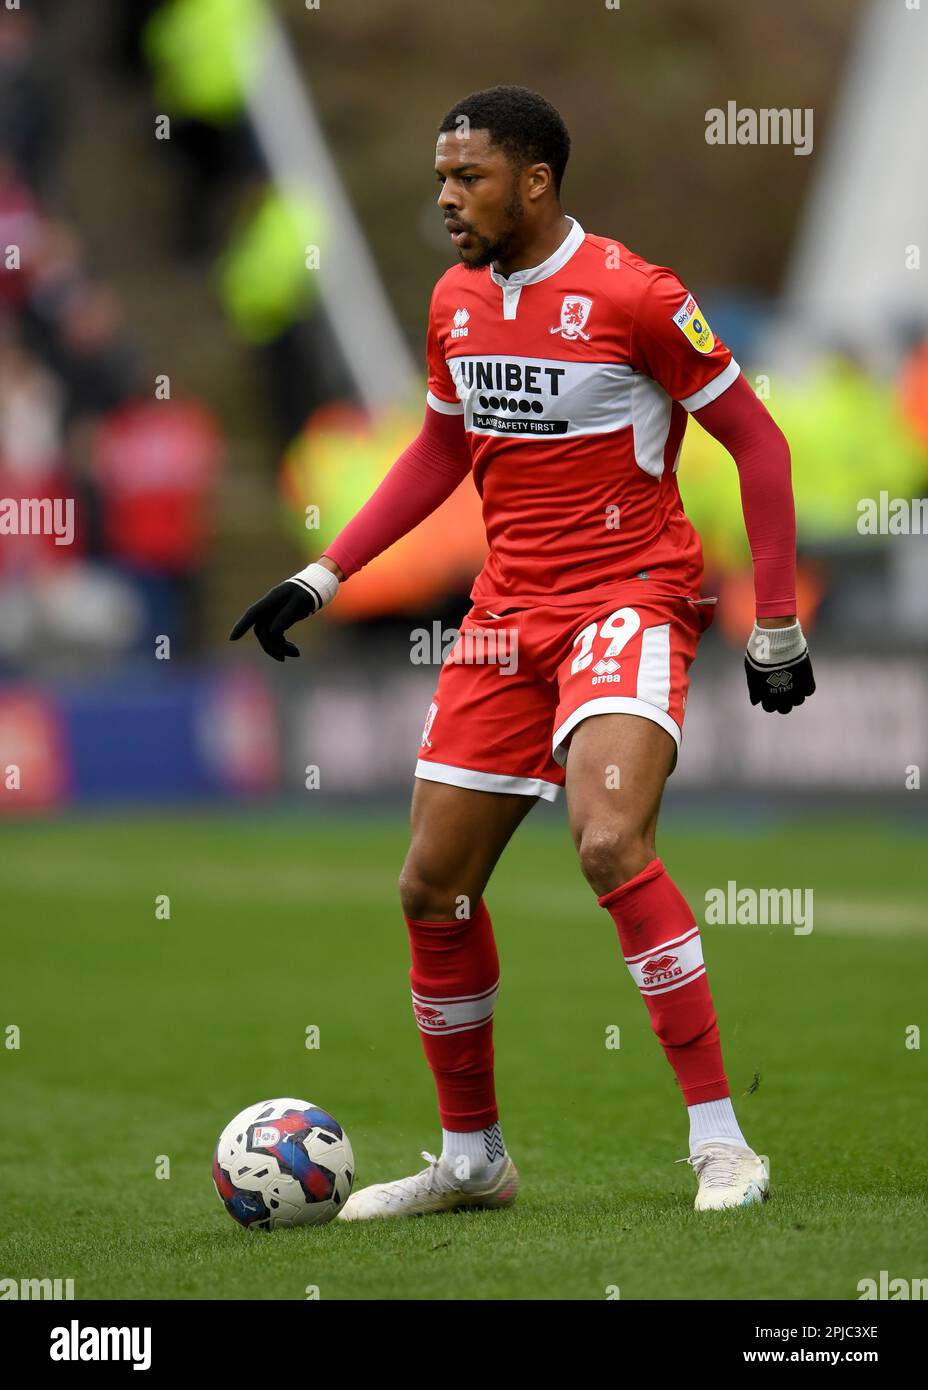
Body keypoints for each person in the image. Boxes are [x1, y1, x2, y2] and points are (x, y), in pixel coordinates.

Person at [231, 86, 815, 1218]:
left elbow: (759, 441)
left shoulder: (636, 295)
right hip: (503, 620)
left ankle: (720, 1143)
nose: (447, 198)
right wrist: (324, 573)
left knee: (607, 841)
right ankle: (471, 1161)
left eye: (469, 178)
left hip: (627, 602)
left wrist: (777, 618)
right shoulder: (455, 299)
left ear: (535, 182)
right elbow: (440, 449)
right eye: (442, 176)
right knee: (430, 888)